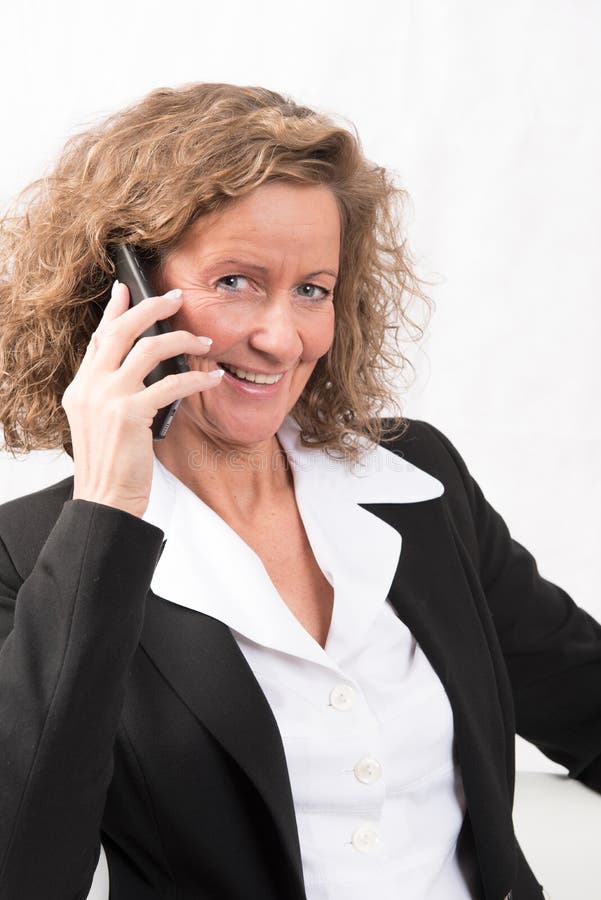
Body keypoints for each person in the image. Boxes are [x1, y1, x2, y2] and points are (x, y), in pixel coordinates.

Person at [0, 82, 599, 900]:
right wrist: (106, 509)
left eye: (311, 289)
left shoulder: (415, 482)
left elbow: (586, 705)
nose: (281, 339)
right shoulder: (32, 558)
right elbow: (24, 868)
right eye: (237, 282)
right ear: (121, 290)